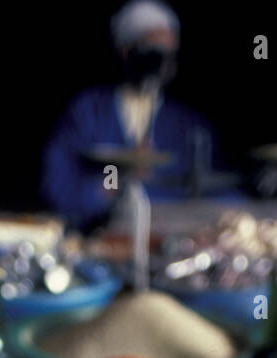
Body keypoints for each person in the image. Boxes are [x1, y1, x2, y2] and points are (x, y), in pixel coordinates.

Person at [40, 0, 217, 227]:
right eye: (154, 53)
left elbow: (211, 191)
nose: (163, 64)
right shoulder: (88, 112)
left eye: (170, 54)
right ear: (126, 51)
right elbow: (58, 191)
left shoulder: (189, 125)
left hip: (168, 234)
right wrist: (116, 181)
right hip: (97, 234)